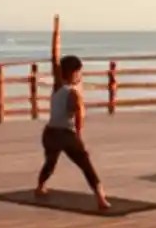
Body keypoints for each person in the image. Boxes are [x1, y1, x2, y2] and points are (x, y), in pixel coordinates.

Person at [35, 15, 111, 212]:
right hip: (63, 134)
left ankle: (40, 185)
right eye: (78, 72)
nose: (80, 75)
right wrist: (78, 135)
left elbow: (54, 57)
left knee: (50, 164)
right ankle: (101, 198)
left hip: (50, 133)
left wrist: (56, 32)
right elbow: (79, 114)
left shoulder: (58, 86)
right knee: (86, 166)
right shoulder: (72, 92)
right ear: (73, 73)